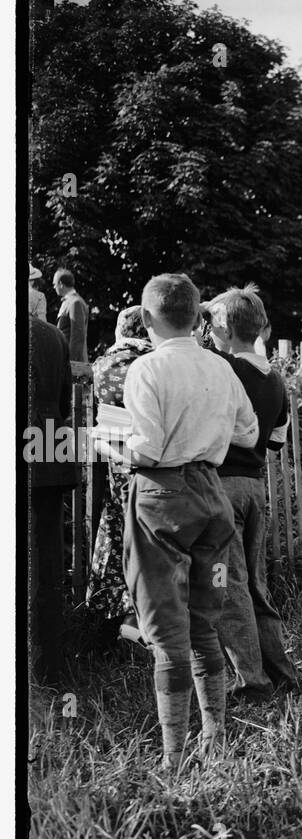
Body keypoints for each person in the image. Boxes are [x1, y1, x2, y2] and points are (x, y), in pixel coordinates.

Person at [92, 273, 258, 770]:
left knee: (165, 631)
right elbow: (249, 434)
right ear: (196, 317)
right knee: (205, 620)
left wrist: (105, 442)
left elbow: (148, 449)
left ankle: (173, 756)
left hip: (162, 498)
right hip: (212, 497)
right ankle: (216, 734)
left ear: (146, 319)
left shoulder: (147, 368)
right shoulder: (224, 368)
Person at [207, 284, 299, 701]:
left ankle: (252, 681)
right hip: (255, 485)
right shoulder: (274, 379)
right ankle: (281, 672)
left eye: (211, 324)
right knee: (255, 583)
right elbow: (277, 440)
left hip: (222, 483)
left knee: (229, 585)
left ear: (224, 327)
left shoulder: (222, 369)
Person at [85, 306, 153, 637]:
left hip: (115, 465)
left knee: (121, 536)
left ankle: (123, 620)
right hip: (153, 467)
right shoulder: (152, 364)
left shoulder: (101, 365)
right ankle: (146, 625)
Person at [28, 316, 79, 684]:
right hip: (49, 446)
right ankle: (49, 666)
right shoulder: (51, 335)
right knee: (48, 567)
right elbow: (64, 400)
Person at [52, 267, 89, 362]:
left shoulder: (75, 302)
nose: (54, 287)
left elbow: (77, 338)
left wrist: (71, 363)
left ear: (60, 284)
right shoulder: (70, 301)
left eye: (54, 284)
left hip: (73, 363)